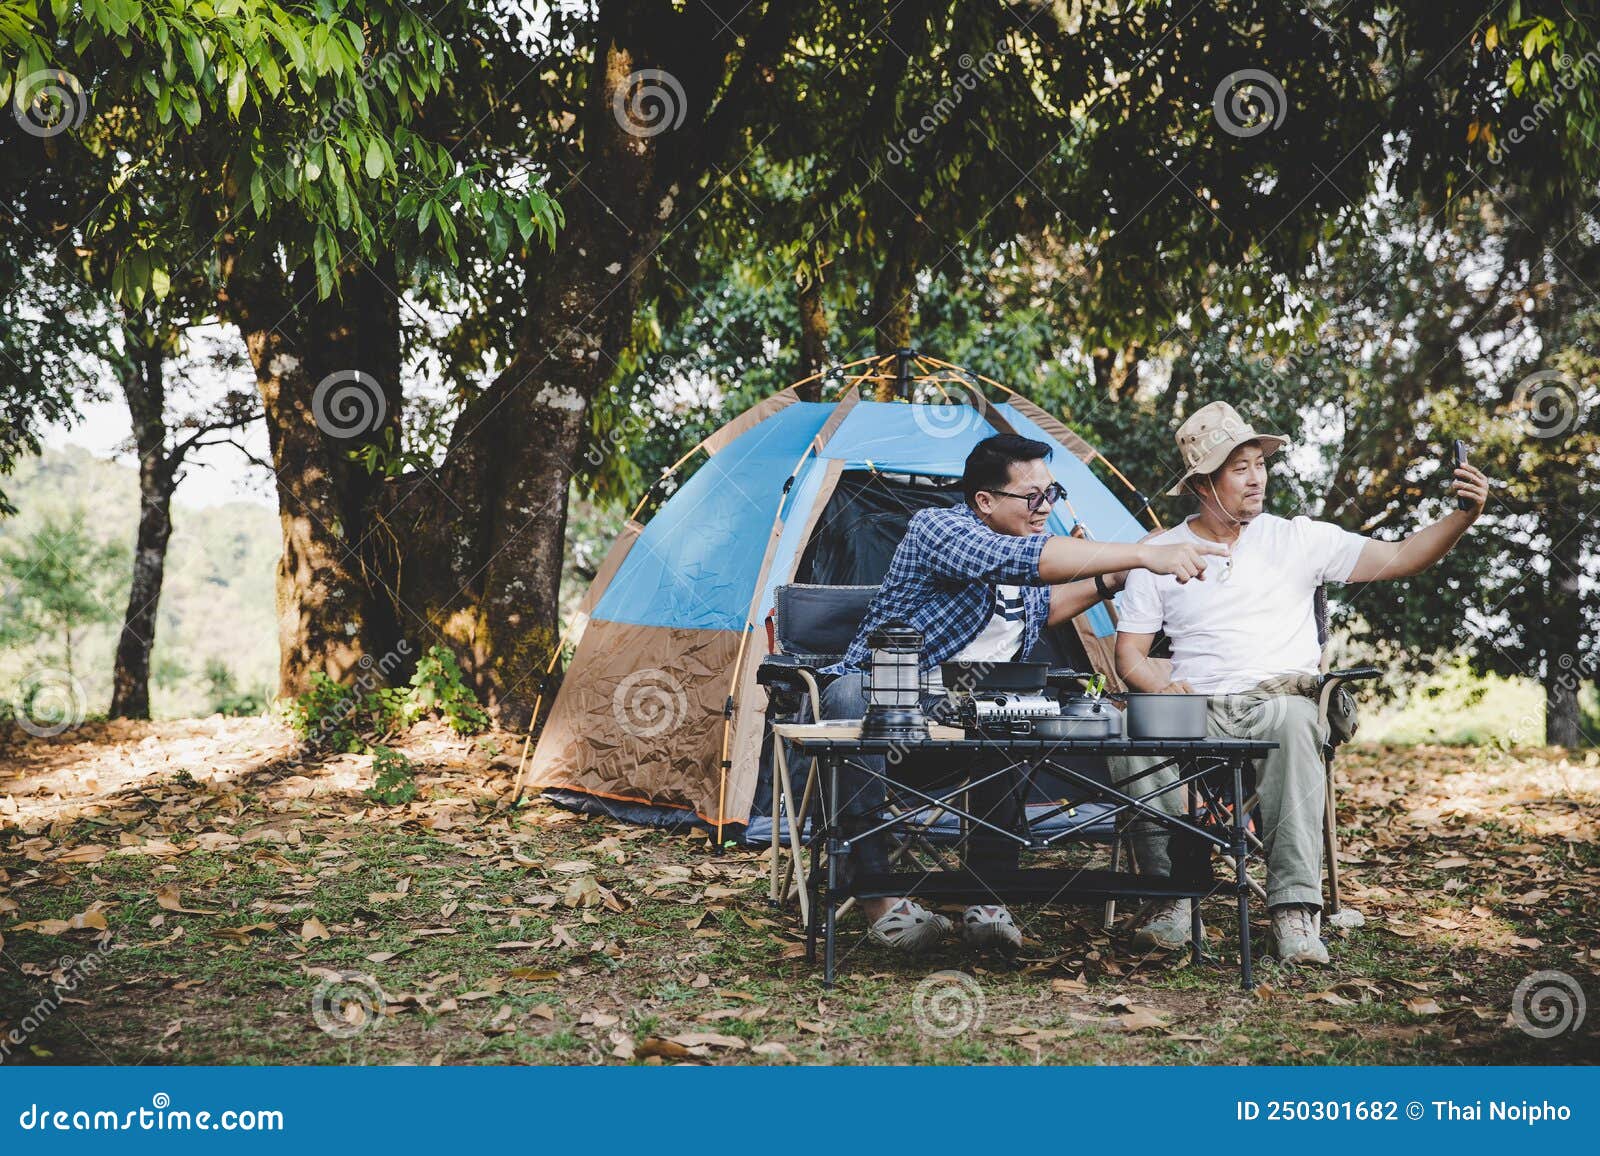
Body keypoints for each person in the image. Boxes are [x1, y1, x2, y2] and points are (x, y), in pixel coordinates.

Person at [819, 433, 1227, 955]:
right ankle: (881, 902)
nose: (1046, 508)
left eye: (1052, 494)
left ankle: (986, 900)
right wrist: (1147, 554)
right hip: (890, 694)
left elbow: (1042, 607)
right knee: (856, 696)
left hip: (964, 709)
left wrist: (1110, 580)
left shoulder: (1022, 560)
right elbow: (1025, 561)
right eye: (1033, 496)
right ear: (985, 501)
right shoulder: (940, 529)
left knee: (1015, 713)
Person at [1113, 401, 1489, 964]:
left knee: (1292, 718)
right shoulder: (1159, 553)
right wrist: (1160, 689)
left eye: (1259, 462)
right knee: (1127, 728)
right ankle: (1171, 901)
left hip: (1279, 700)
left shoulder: (1298, 539)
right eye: (1238, 467)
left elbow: (1402, 557)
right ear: (1203, 484)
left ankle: (1292, 912)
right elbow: (1130, 656)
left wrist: (1461, 517)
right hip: (1197, 708)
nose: (1257, 476)